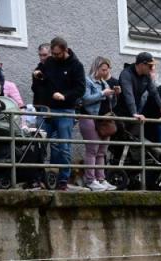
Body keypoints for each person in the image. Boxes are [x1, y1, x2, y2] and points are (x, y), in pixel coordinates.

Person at [33, 37, 86, 191]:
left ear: (65, 50)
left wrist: (65, 96)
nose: (54, 57)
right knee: (39, 143)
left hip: (65, 110)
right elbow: (42, 82)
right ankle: (39, 178)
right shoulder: (49, 62)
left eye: (57, 54)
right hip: (47, 109)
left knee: (64, 146)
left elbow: (80, 88)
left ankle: (63, 180)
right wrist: (37, 75)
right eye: (52, 53)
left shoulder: (76, 65)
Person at [79, 56, 118, 191]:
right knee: (92, 150)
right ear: (96, 68)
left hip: (103, 120)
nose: (105, 73)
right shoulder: (88, 81)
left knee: (102, 151)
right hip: (89, 117)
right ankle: (90, 180)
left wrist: (114, 94)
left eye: (107, 70)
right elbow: (85, 99)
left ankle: (101, 179)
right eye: (103, 70)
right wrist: (102, 93)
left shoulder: (104, 82)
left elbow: (110, 103)